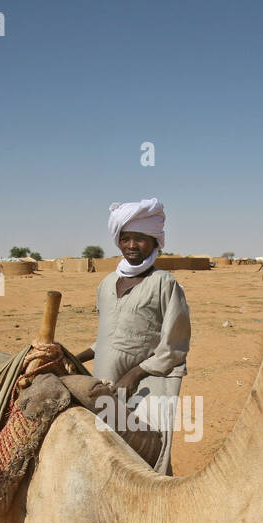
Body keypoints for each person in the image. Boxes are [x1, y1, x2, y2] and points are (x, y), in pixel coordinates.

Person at [73, 198, 191, 475]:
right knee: (106, 452)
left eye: (140, 238)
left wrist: (136, 373)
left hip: (144, 386)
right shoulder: (106, 284)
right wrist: (76, 357)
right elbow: (110, 335)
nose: (131, 245)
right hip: (104, 380)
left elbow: (175, 344)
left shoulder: (164, 283)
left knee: (147, 452)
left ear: (154, 241)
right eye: (125, 238)